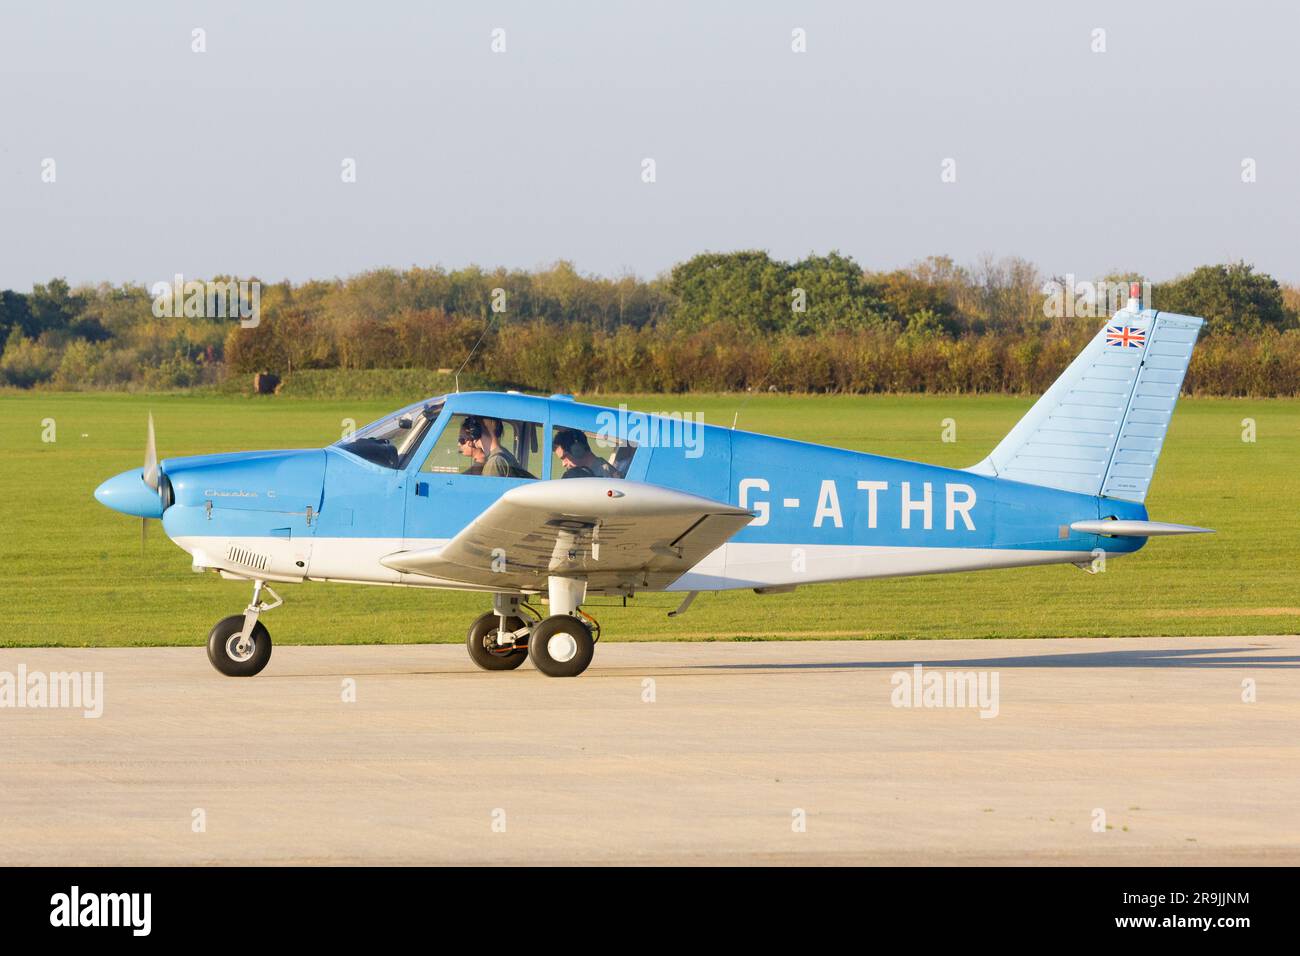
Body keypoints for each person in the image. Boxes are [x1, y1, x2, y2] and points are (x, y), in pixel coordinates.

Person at [553, 428, 619, 479]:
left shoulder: (606, 476)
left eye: (565, 457)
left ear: (577, 450)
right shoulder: (578, 474)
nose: (563, 464)